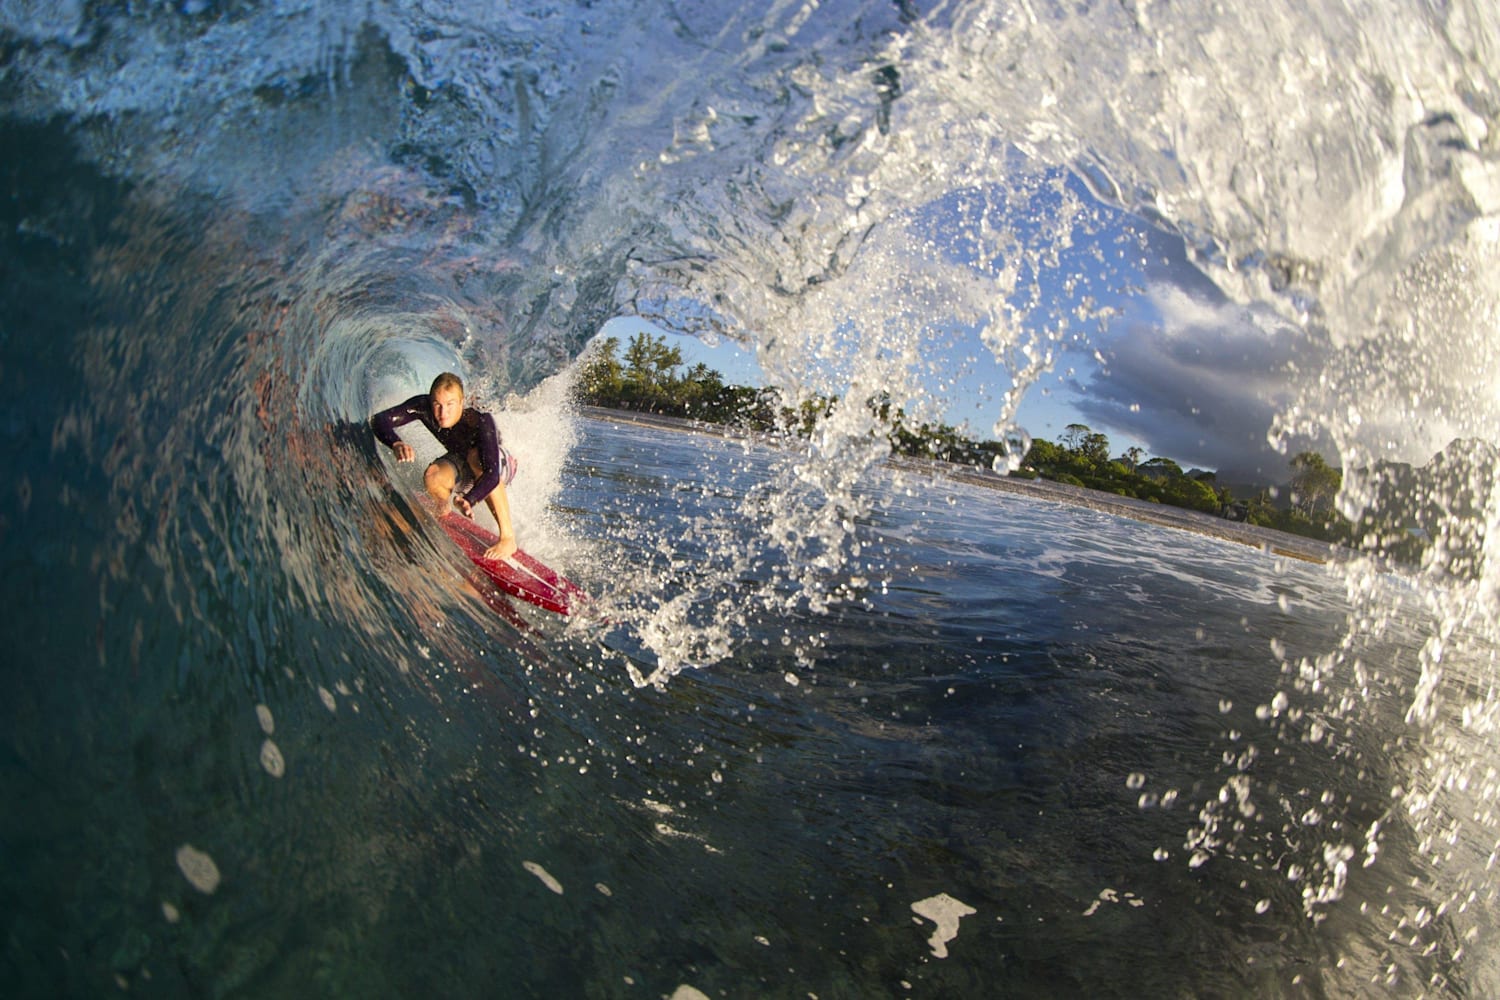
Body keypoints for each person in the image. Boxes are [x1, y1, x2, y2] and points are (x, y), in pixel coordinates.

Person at [370, 372, 519, 561]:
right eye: (437, 404)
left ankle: (508, 538)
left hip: (499, 465)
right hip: (462, 462)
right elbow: (380, 420)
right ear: (430, 401)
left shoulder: (480, 420)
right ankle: (442, 507)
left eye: (450, 404)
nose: (442, 413)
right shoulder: (422, 407)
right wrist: (396, 443)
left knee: (476, 458)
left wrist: (469, 499)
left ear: (461, 402)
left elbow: (491, 474)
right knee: (432, 475)